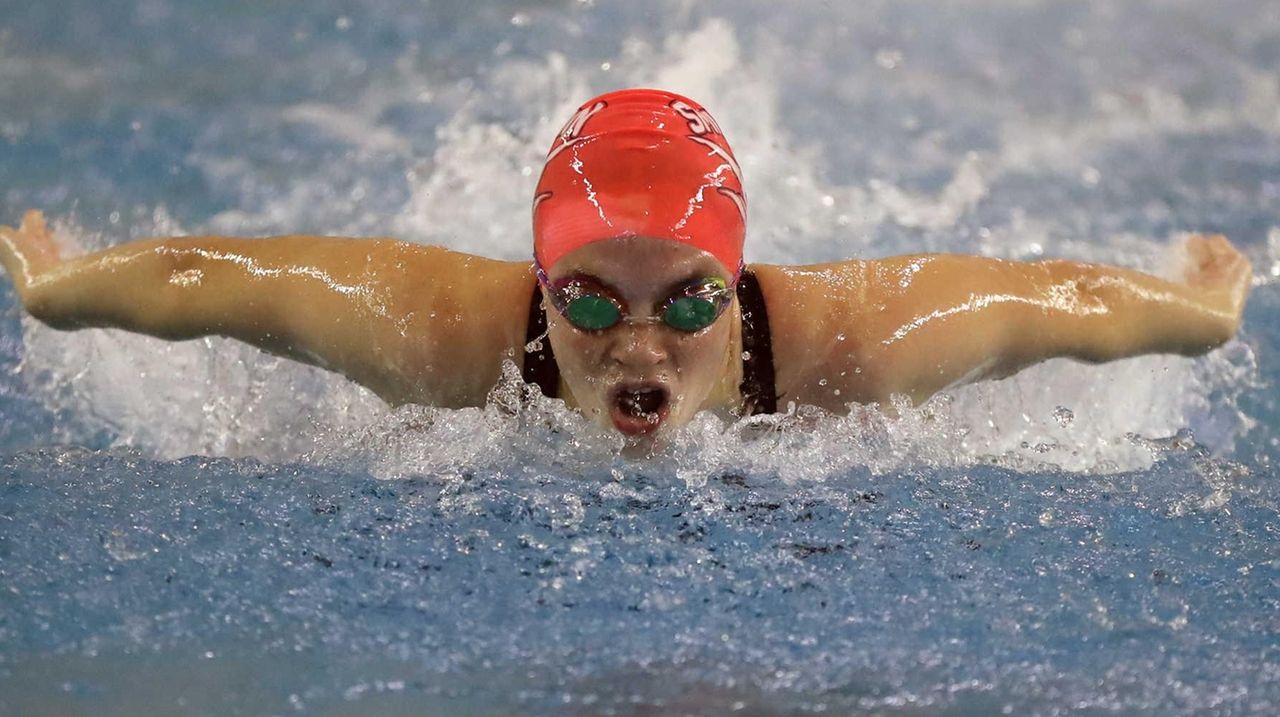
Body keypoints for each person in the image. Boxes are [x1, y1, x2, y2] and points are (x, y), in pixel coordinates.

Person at [0, 88, 1252, 442]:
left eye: (690, 297)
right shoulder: (450, 333)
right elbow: (225, 281)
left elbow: (1060, 304)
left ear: (738, 285)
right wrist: (65, 291)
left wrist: (1198, 314)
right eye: (588, 295)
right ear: (540, 285)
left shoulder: (852, 343)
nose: (638, 343)